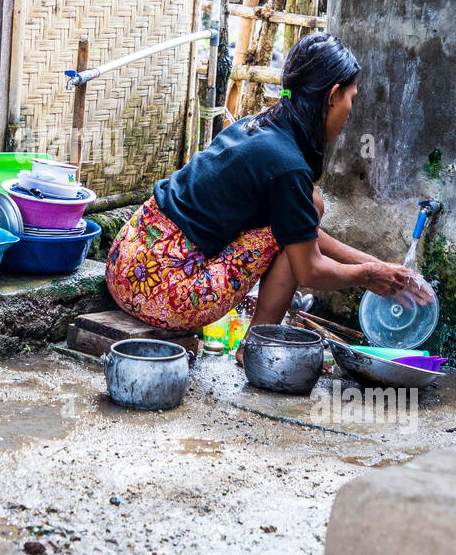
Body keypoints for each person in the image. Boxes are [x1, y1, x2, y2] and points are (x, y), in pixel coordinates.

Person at [105, 32, 424, 364]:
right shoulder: (286, 165)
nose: (350, 112)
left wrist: (376, 264)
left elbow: (302, 226)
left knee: (305, 208)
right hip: (159, 292)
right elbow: (309, 270)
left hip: (125, 268)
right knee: (292, 237)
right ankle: (253, 348)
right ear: (332, 96)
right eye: (351, 99)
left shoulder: (255, 127)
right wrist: (368, 276)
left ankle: (254, 342)